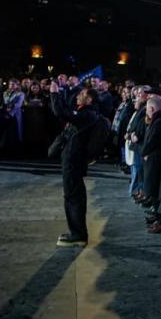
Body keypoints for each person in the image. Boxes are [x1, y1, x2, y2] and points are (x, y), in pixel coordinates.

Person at [50, 81, 99, 247]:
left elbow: (61, 112)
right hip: (71, 159)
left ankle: (78, 235)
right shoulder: (83, 112)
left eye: (82, 95)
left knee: (74, 197)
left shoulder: (88, 114)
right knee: (72, 196)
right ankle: (76, 232)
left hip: (74, 161)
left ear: (90, 100)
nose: (78, 96)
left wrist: (55, 94)